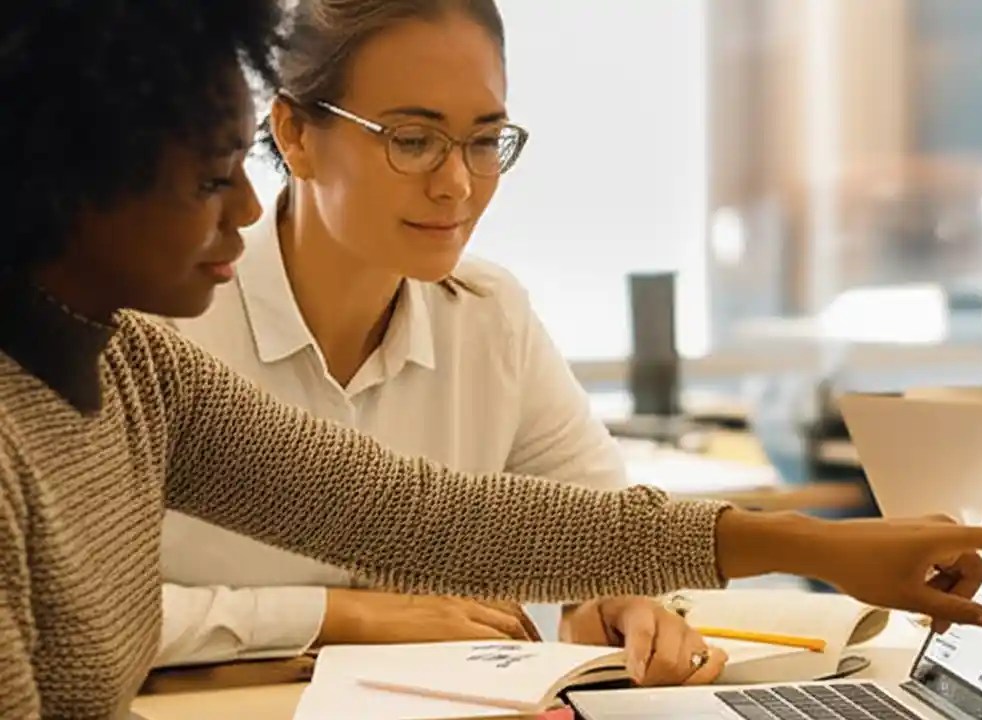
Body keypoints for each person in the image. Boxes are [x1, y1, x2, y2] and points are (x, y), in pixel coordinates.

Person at [0, 0, 982, 716]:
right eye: (206, 178)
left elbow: (434, 520)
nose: (242, 204)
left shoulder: (139, 370)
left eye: (482, 139)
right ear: (75, 178)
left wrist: (813, 545)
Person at [155, 0, 712, 687]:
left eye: (484, 141)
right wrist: (340, 617)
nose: (456, 186)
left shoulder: (489, 317)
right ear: (295, 133)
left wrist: (622, 603)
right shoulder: (163, 324)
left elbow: (603, 532)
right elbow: (81, 614)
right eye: (413, 140)